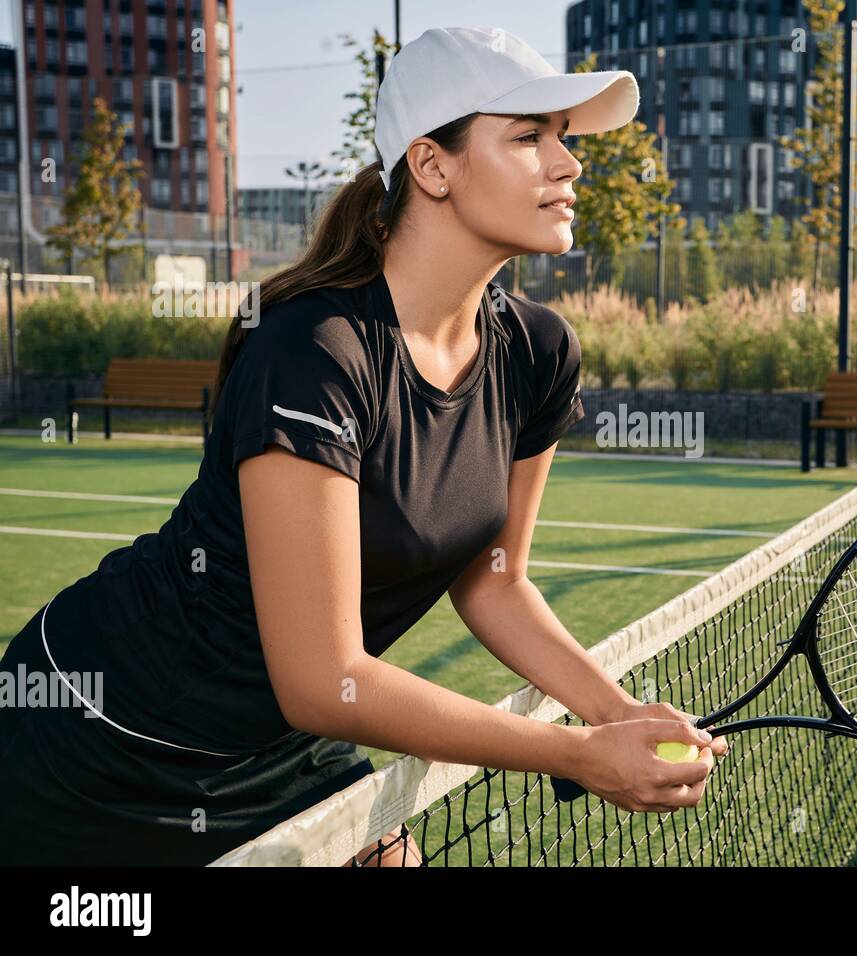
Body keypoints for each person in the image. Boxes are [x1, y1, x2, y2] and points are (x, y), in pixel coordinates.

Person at [0, 25, 726, 867]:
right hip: (100, 733)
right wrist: (572, 754)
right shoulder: (313, 351)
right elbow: (322, 676)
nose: (568, 165)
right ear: (432, 166)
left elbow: (495, 584)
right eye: (529, 136)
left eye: (563, 138)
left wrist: (617, 714)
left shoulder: (537, 352)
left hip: (279, 739)